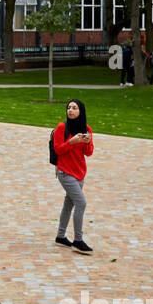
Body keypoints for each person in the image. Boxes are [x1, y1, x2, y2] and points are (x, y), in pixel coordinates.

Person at [52, 99, 94, 254]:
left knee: (69, 204)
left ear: (80, 111)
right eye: (68, 108)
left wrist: (87, 142)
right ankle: (78, 240)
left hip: (80, 172)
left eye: (74, 108)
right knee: (81, 203)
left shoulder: (87, 128)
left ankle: (60, 236)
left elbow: (88, 153)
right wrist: (71, 142)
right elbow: (58, 150)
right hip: (65, 172)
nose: (70, 110)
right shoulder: (61, 127)